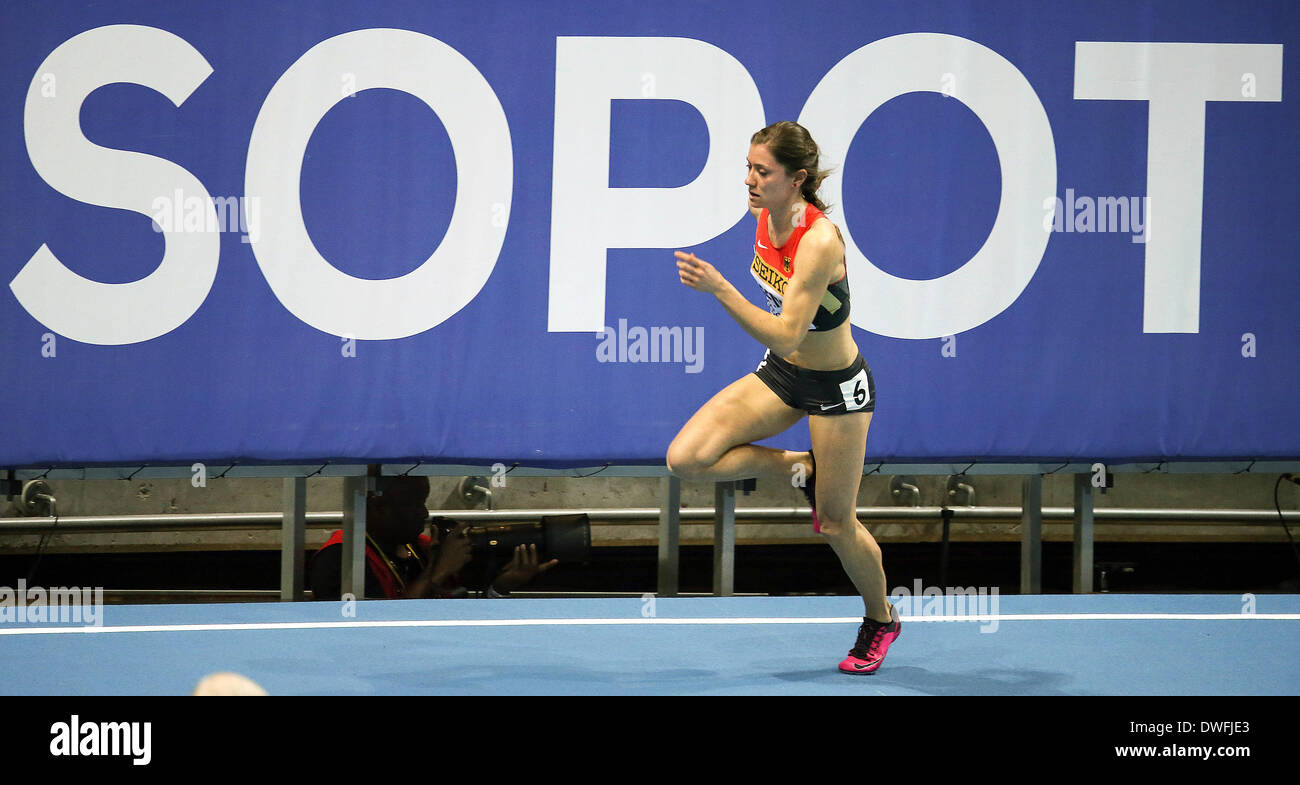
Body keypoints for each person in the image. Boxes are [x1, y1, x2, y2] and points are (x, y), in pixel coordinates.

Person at [668, 121, 900, 674]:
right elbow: (785, 350)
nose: (749, 180)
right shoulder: (763, 214)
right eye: (748, 166)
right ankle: (803, 467)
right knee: (687, 459)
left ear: (796, 180)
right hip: (784, 376)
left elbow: (787, 333)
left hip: (837, 389)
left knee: (837, 523)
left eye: (762, 171)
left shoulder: (818, 241)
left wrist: (720, 287)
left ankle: (881, 617)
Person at [309, 475, 556, 600]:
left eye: (424, 503)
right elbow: (375, 631)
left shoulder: (419, 549)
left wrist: (503, 585)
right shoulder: (341, 556)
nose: (424, 514)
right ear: (376, 507)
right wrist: (437, 572)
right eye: (414, 504)